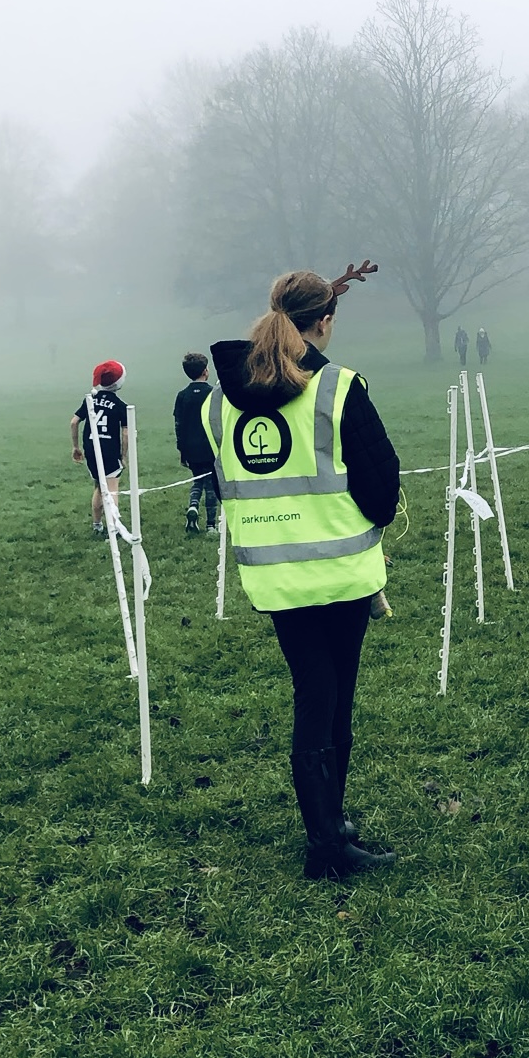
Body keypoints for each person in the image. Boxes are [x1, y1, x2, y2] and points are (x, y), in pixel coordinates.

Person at [205, 262, 399, 880]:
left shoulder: (219, 403)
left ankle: (330, 826)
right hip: (340, 574)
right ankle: (327, 844)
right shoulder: (339, 388)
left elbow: (224, 484)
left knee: (312, 695)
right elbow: (382, 488)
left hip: (273, 580)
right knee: (330, 703)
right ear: (325, 322)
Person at [70, 361, 131, 538]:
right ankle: (114, 528)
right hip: (109, 450)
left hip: (91, 448)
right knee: (112, 489)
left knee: (98, 486)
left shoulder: (90, 400)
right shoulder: (121, 405)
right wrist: (124, 455)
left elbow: (74, 422)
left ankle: (97, 526)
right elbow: (126, 433)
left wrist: (75, 447)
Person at [172, 353, 220, 536]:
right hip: (209, 447)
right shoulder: (212, 393)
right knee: (211, 485)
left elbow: (179, 424)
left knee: (197, 480)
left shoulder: (182, 395)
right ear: (205, 371)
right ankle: (210, 525)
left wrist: (182, 450)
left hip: (190, 448)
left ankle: (193, 506)